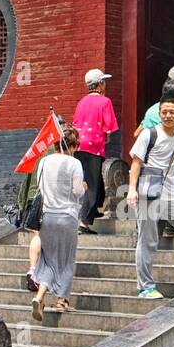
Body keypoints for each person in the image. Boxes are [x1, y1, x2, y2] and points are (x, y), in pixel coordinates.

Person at [126, 95, 174, 299]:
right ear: (160, 114)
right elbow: (135, 163)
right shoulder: (148, 134)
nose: (168, 115)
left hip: (170, 195)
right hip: (148, 194)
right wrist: (132, 189)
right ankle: (145, 287)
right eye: (164, 112)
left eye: (172, 112)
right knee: (148, 239)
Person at [30, 129, 85, 321]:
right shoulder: (75, 163)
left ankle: (40, 296)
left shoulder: (44, 161)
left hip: (47, 216)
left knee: (48, 259)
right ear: (71, 146)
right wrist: (84, 187)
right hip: (67, 216)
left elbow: (39, 185)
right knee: (66, 259)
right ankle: (62, 300)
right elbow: (77, 190)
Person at [72, 69, 118, 232]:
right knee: (92, 183)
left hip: (78, 145)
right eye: (104, 82)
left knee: (91, 179)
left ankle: (95, 208)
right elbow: (110, 126)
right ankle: (84, 221)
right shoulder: (105, 102)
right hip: (94, 146)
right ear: (100, 84)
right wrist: (107, 135)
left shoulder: (81, 102)